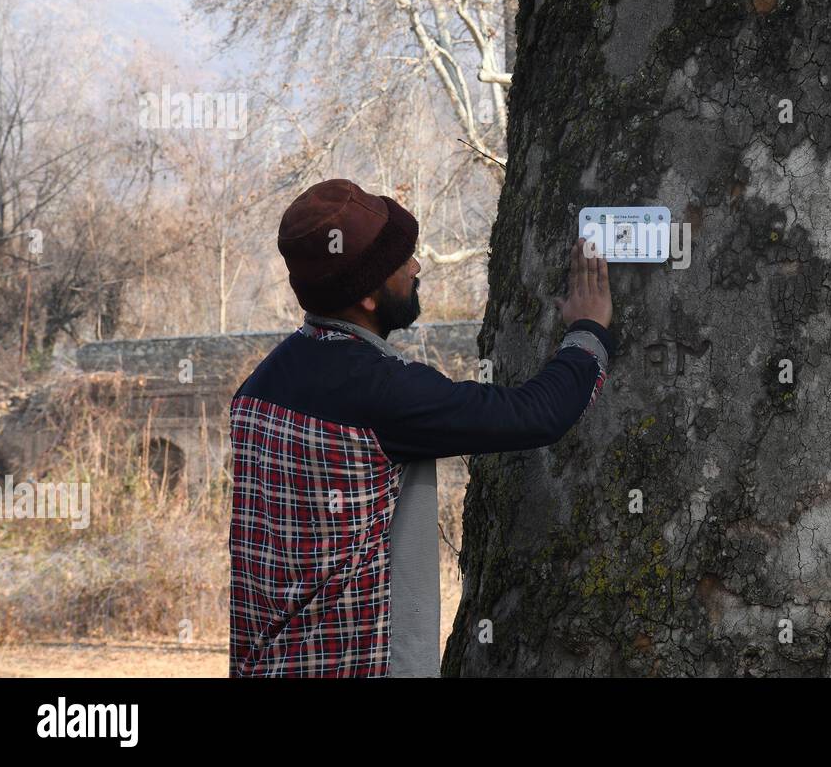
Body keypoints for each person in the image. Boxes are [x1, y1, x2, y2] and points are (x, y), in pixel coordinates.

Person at [228, 178, 613, 677]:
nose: (416, 267)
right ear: (367, 296)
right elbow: (537, 414)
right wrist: (588, 330)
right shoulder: (384, 394)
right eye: (401, 261)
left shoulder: (256, 388)